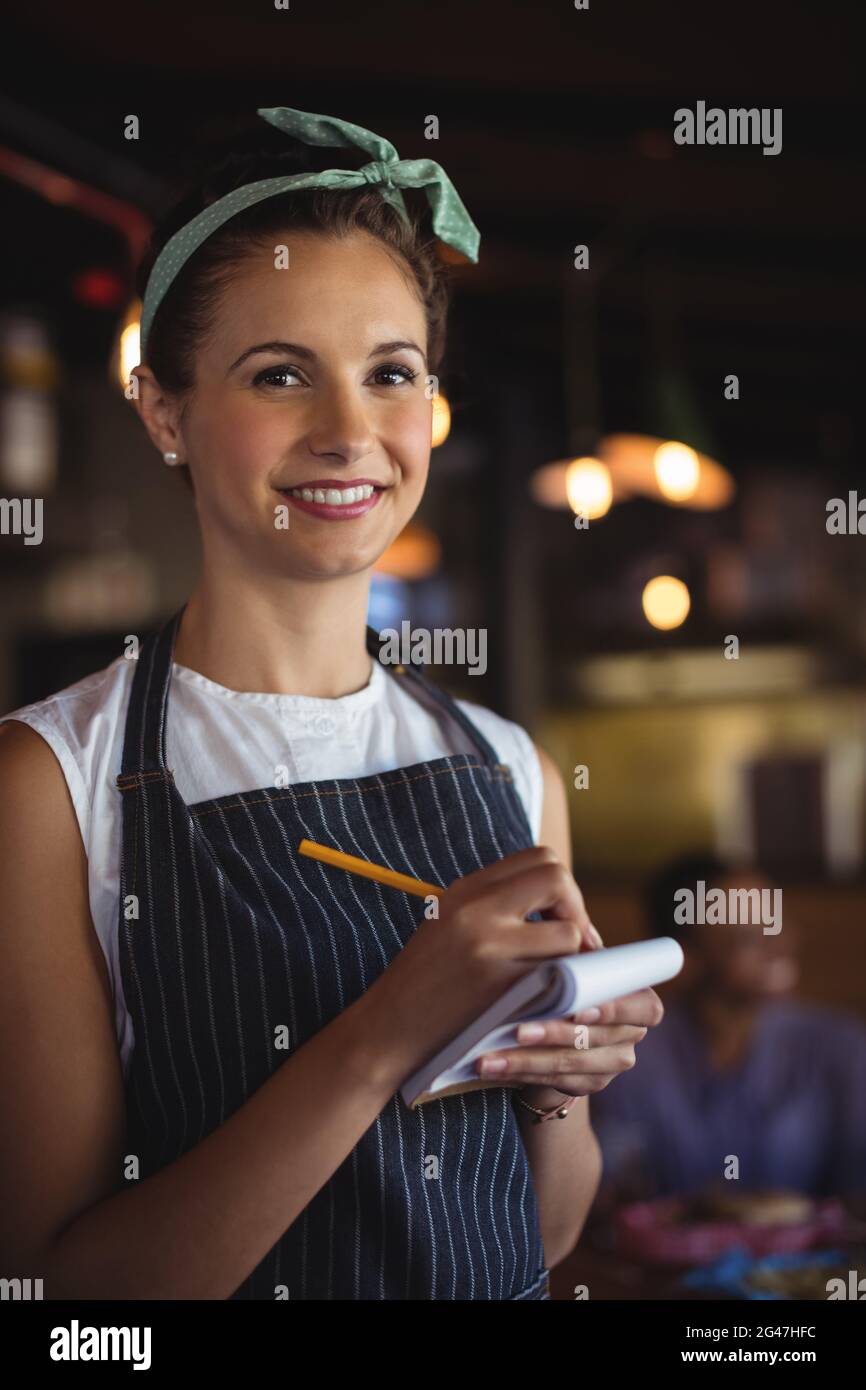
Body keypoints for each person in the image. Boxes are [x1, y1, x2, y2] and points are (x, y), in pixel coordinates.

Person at [0, 106, 662, 1300]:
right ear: (164, 410)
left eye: (390, 374)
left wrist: (559, 1079)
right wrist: (382, 1034)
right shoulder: (49, 784)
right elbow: (63, 1298)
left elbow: (548, 1233)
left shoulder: (509, 766)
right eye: (279, 374)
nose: (350, 433)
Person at [590, 851, 866, 1204]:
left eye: (777, 922)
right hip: (666, 1258)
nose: (778, 945)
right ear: (685, 955)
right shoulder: (630, 1055)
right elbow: (613, 1191)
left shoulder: (839, 1047)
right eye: (748, 936)